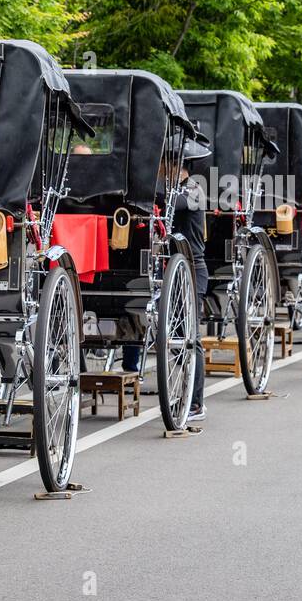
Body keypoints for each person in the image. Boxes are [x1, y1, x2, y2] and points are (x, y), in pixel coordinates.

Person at [122, 139, 210, 420]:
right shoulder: (172, 192)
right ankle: (182, 395)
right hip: (170, 270)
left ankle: (196, 402)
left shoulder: (194, 190)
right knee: (173, 335)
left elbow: (168, 202)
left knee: (191, 337)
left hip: (193, 270)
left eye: (161, 164)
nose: (158, 170)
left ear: (173, 165)